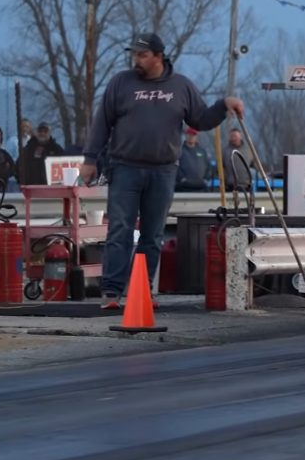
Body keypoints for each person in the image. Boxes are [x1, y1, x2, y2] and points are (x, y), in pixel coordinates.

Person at [80, 32, 245, 309]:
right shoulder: (121, 83)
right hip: (125, 167)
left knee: (152, 235)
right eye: (134, 54)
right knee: (119, 229)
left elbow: (201, 119)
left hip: (163, 171)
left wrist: (223, 105)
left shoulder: (181, 86)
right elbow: (102, 123)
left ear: (159, 56)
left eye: (143, 55)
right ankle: (112, 291)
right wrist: (90, 159)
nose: (137, 60)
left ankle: (141, 290)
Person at [222, 127, 260, 192]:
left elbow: (256, 166)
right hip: (230, 187)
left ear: (240, 137)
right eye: (232, 136)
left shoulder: (249, 150)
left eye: (235, 136)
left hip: (246, 186)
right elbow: (220, 168)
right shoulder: (225, 151)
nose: (233, 138)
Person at [175, 127, 211, 192]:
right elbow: (176, 166)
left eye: (193, 135)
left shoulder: (202, 151)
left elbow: (208, 167)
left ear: (196, 137)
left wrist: (206, 179)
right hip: (183, 188)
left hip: (201, 188)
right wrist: (182, 179)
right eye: (189, 134)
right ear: (186, 135)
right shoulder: (179, 151)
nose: (191, 137)